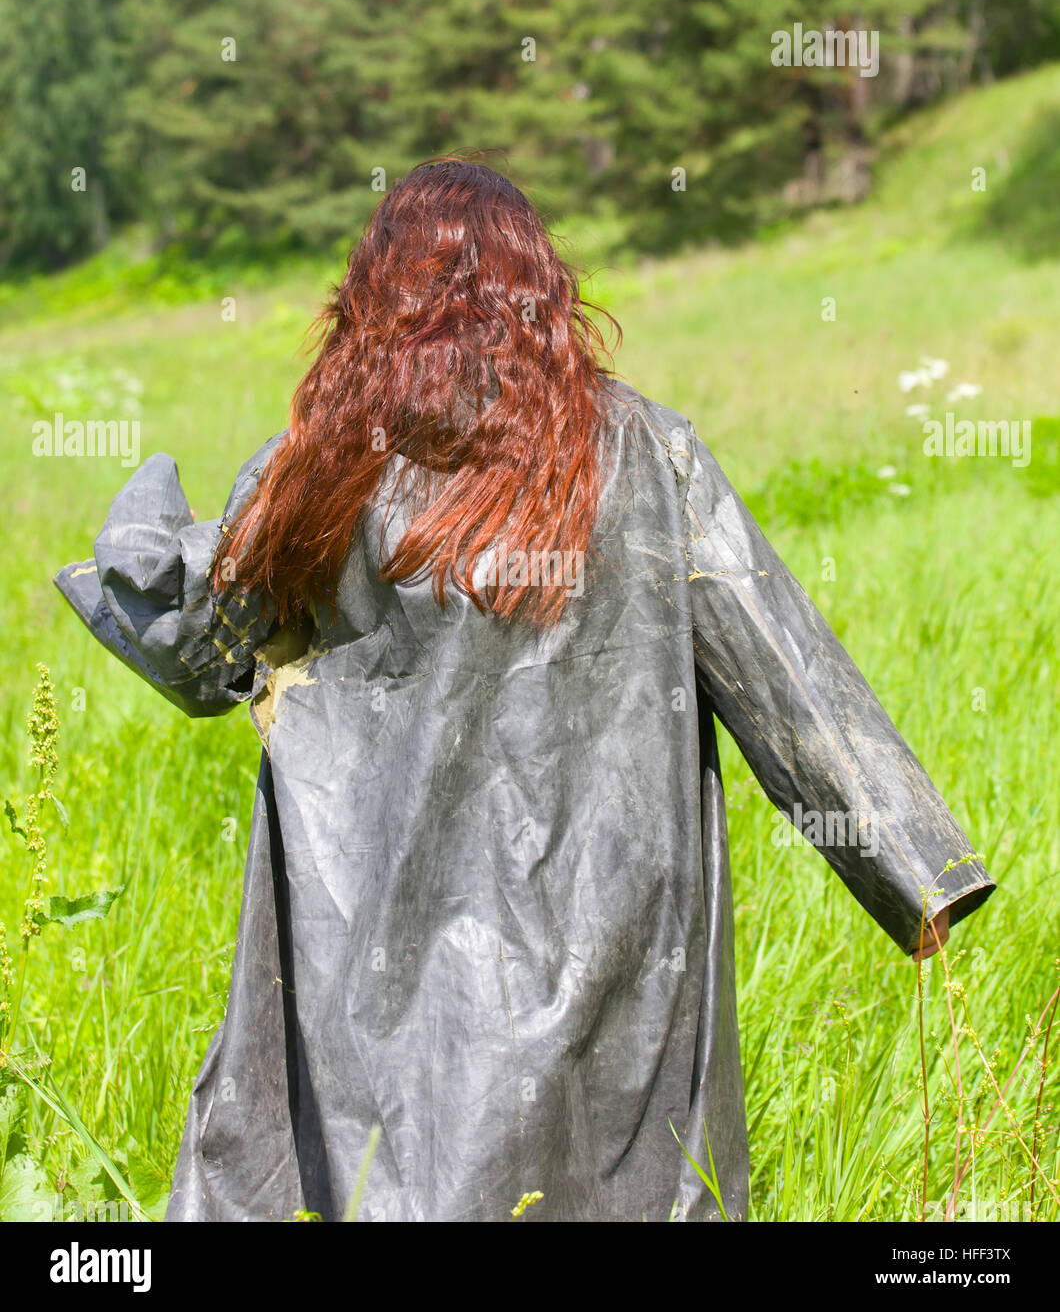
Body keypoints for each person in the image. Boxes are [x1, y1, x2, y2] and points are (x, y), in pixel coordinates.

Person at [54, 156, 995, 1223]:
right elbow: (789, 680)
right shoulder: (648, 454)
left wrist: (141, 523)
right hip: (608, 960)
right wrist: (915, 872)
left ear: (371, 298)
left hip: (368, 977)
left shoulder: (314, 470)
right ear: (541, 293)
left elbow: (194, 652)